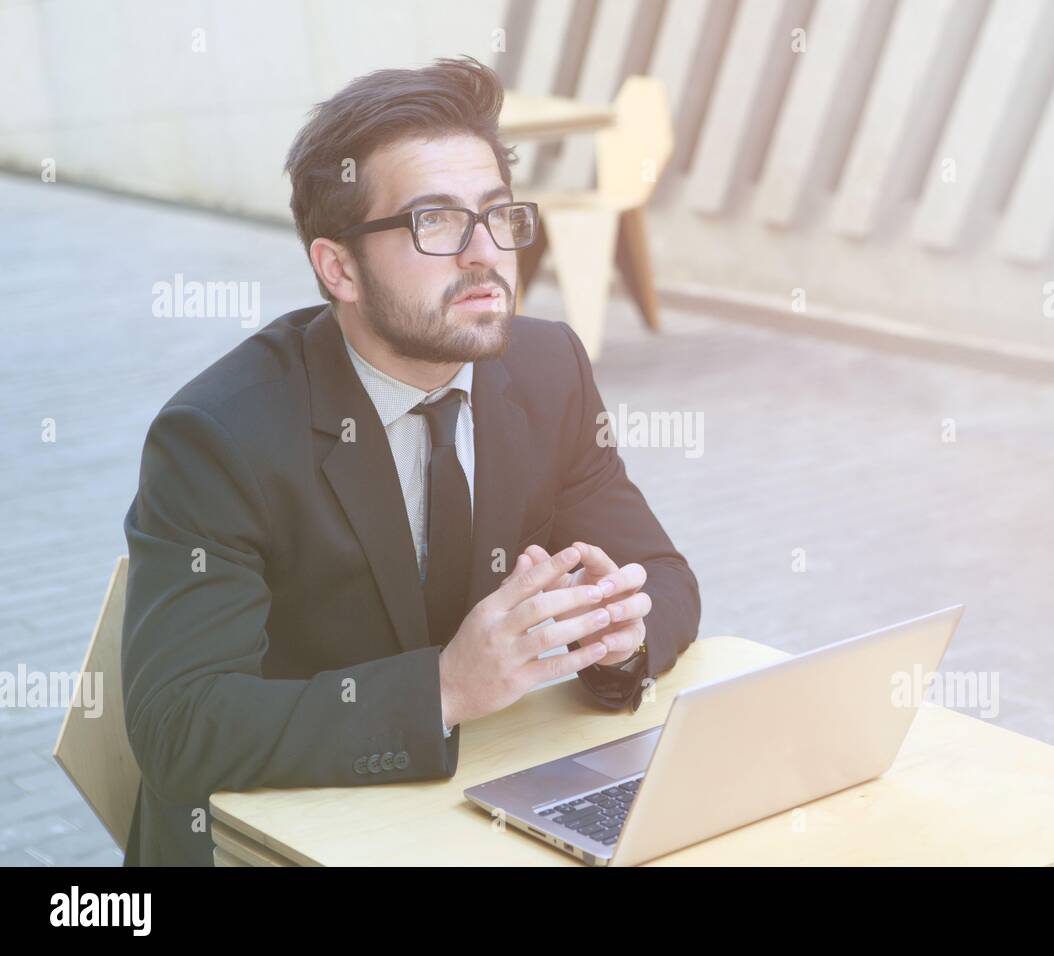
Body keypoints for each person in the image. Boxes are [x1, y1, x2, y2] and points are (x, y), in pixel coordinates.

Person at [120, 56, 701, 865]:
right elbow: (179, 726)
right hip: (277, 841)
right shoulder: (219, 436)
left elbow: (663, 577)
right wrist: (446, 690)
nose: (485, 256)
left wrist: (619, 640)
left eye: (499, 217)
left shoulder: (546, 366)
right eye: (436, 224)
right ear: (339, 267)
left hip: (470, 815)